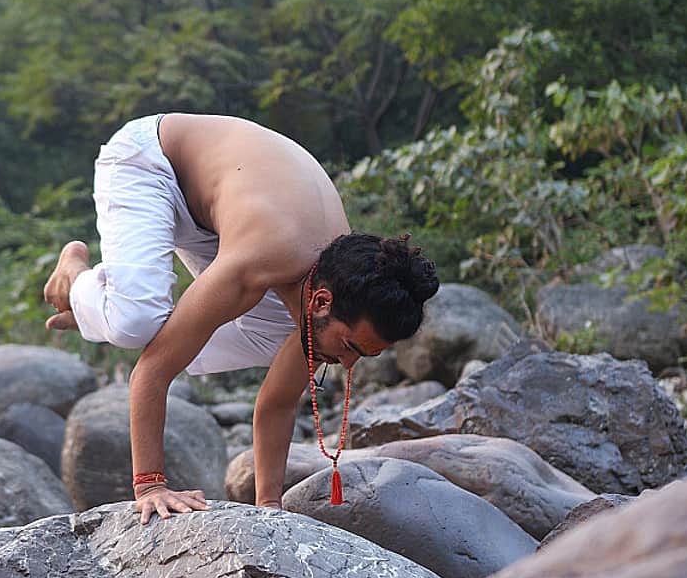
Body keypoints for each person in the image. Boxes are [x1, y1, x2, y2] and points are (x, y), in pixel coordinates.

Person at [44, 114, 439, 524]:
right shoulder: (256, 263)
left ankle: (107, 305)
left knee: (284, 341)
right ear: (321, 301)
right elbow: (153, 370)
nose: (348, 363)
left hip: (226, 205)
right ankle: (80, 280)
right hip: (153, 161)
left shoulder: (345, 281)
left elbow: (278, 403)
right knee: (135, 324)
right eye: (351, 348)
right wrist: (151, 486)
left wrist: (270, 508)